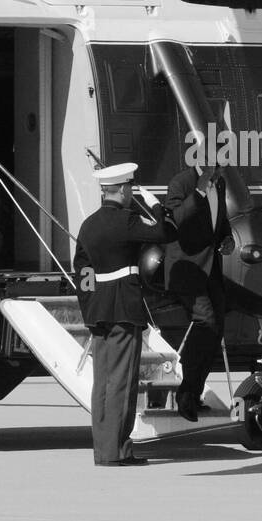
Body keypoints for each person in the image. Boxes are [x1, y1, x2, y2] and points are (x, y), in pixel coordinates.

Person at [72, 163, 177, 467]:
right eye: (129, 188)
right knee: (121, 381)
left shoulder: (88, 225)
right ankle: (117, 451)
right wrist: (157, 206)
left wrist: (90, 308)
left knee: (103, 382)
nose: (131, 192)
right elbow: (162, 232)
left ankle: (104, 450)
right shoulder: (126, 220)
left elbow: (82, 271)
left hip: (99, 312)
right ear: (122, 190)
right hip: (123, 309)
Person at [163, 160, 234, 421]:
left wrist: (228, 238)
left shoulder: (220, 183)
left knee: (216, 330)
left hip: (211, 266)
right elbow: (176, 220)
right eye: (214, 164)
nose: (219, 169)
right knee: (205, 322)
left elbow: (220, 219)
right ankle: (185, 392)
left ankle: (193, 392)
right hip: (187, 267)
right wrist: (199, 193)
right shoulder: (181, 183)